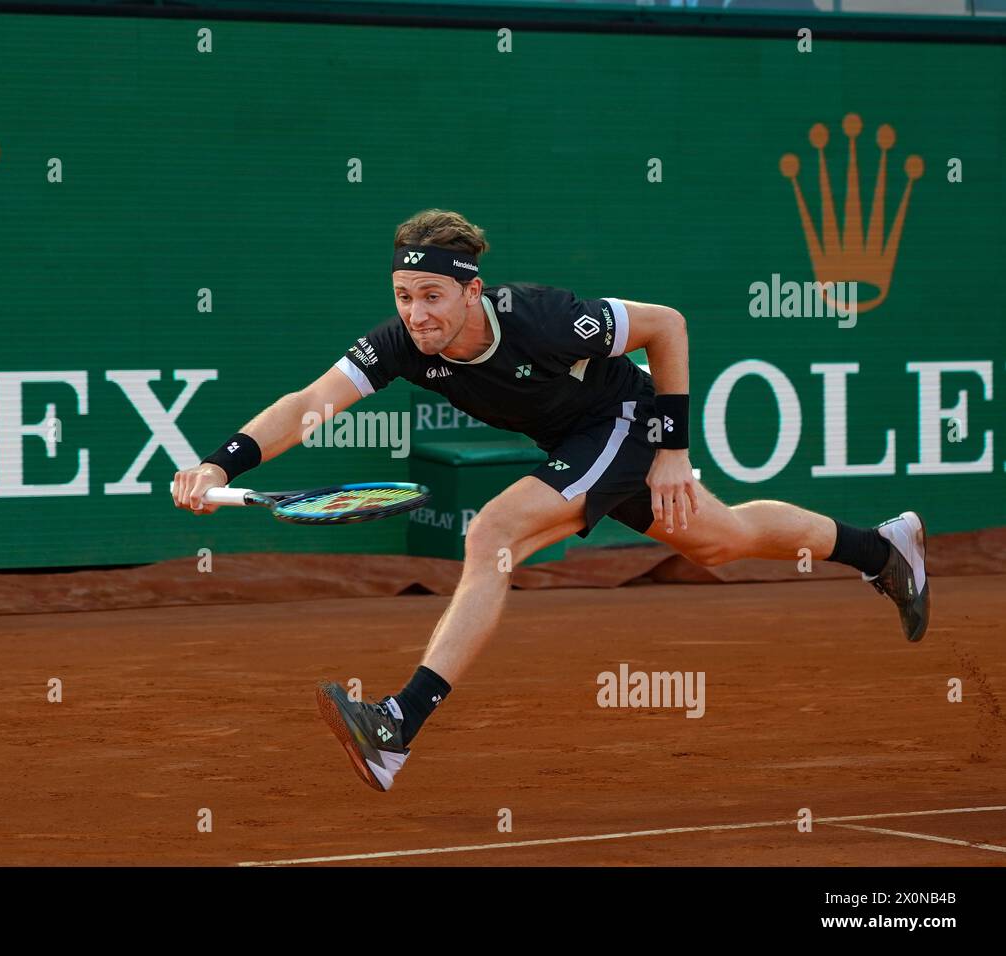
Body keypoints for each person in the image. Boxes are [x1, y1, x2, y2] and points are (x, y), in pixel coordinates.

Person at [170, 209, 929, 793]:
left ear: (472, 291)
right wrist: (217, 463)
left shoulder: (545, 319)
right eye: (403, 296)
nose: (417, 313)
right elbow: (309, 404)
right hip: (573, 441)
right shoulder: (403, 342)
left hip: (626, 419)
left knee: (492, 534)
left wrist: (672, 451)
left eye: (432, 296)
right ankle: (883, 549)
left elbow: (666, 325)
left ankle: (397, 725)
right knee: (719, 540)